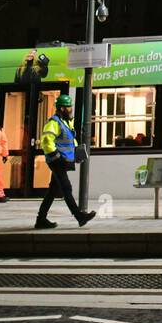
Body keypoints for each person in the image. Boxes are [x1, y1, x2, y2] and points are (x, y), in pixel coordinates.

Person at [35, 96, 95, 230]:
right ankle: (79, 216)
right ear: (62, 108)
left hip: (62, 160)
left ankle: (41, 219)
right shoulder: (54, 122)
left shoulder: (66, 122)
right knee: (66, 188)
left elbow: (70, 141)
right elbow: (46, 141)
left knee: (52, 191)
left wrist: (76, 154)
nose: (71, 109)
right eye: (69, 107)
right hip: (57, 161)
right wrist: (56, 156)